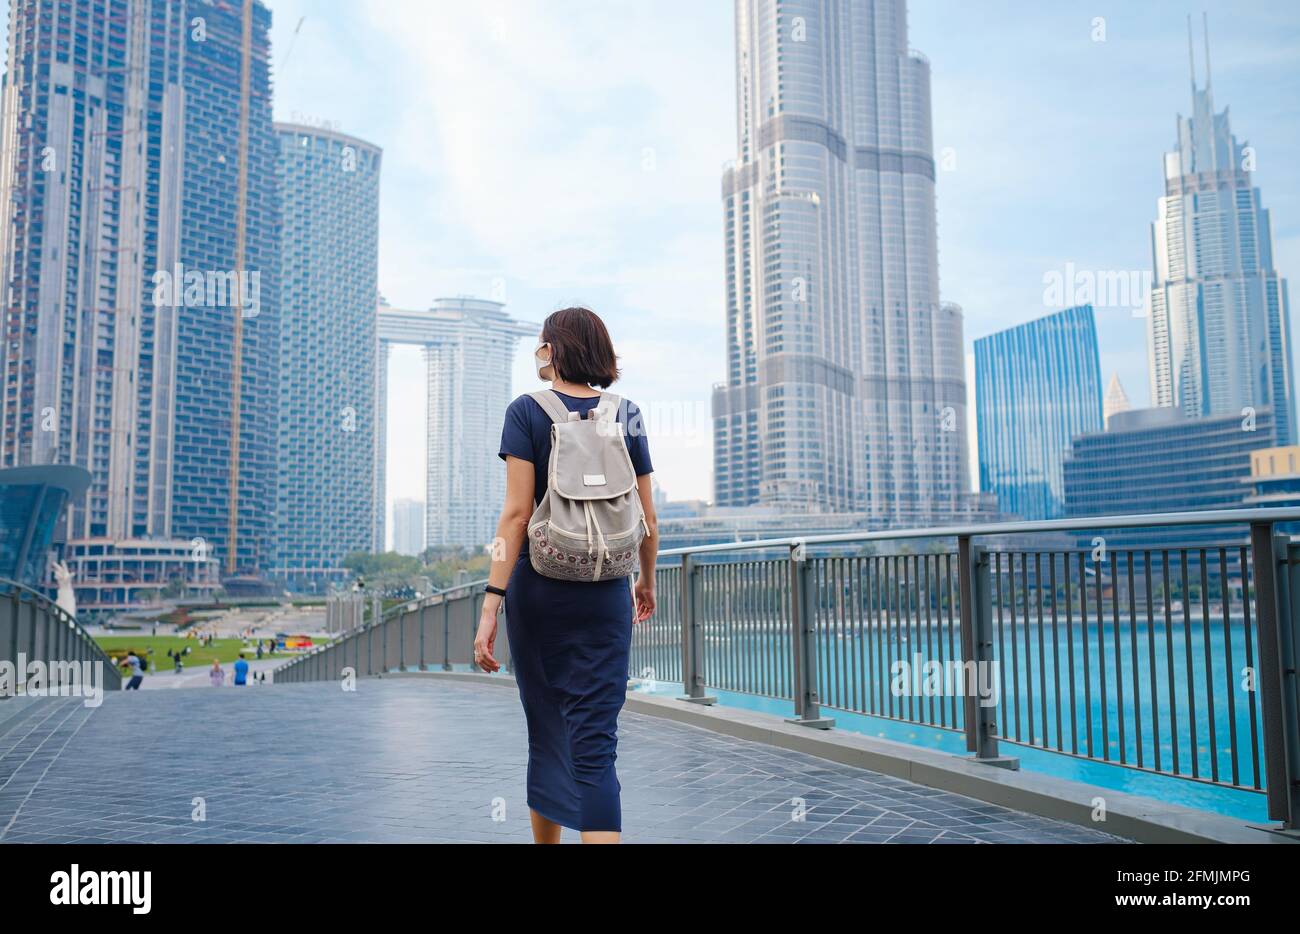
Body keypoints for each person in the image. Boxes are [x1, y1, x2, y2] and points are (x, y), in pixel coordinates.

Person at [474, 306, 657, 845]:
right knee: (595, 747)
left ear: (551, 352)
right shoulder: (629, 413)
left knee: (548, 733)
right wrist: (645, 581)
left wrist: (491, 607)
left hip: (539, 592)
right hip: (606, 594)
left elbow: (513, 516)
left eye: (540, 345)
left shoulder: (525, 412)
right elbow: (648, 516)